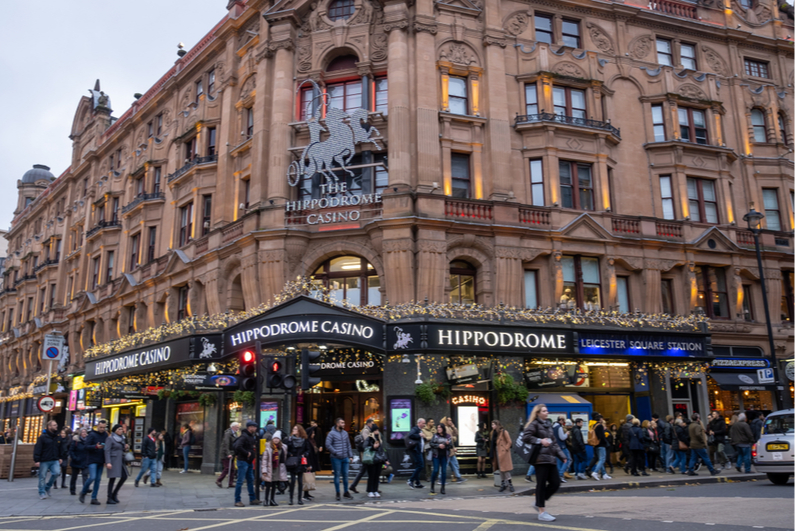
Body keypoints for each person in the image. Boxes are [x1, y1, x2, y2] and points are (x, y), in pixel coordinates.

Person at [522, 404, 567, 522]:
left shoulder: (548, 425)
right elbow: (526, 437)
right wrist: (540, 440)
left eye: (547, 411)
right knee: (541, 485)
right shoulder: (534, 424)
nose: (547, 412)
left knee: (556, 483)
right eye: (544, 411)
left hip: (551, 459)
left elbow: (554, 443)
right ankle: (542, 512)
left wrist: (562, 456)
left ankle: (538, 502)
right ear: (538, 413)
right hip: (540, 459)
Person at [233, 421, 261, 507]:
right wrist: (246, 453)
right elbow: (238, 446)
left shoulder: (250, 436)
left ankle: (252, 499)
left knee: (250, 480)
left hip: (249, 461)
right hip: (243, 461)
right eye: (254, 427)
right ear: (250, 427)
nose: (256, 428)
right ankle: (237, 500)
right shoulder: (244, 436)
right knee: (240, 481)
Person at [34, 420, 64, 500]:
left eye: (56, 425)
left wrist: (60, 457)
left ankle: (47, 487)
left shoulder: (58, 436)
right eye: (54, 425)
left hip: (54, 459)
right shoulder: (43, 437)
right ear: (49, 426)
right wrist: (37, 460)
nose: (56, 426)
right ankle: (42, 492)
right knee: (42, 476)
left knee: (57, 473)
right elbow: (38, 448)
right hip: (44, 459)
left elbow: (60, 447)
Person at [80, 420, 108, 505]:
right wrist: (95, 446)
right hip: (92, 459)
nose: (102, 429)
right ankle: (83, 492)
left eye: (104, 427)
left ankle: (94, 498)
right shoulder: (92, 434)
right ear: (97, 426)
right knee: (92, 477)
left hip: (101, 459)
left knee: (98, 480)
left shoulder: (106, 434)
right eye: (101, 427)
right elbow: (86, 447)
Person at [325, 417, 353, 501]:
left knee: (345, 475)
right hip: (336, 458)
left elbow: (348, 445)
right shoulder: (331, 433)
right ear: (337, 424)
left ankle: (346, 492)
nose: (343, 424)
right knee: (337, 475)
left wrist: (350, 455)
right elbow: (328, 444)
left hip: (345, 457)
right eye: (342, 423)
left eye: (344, 423)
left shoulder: (345, 433)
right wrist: (335, 452)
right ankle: (338, 493)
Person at [285, 425, 311, 505]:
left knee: (300, 481)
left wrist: (305, 454)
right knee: (292, 481)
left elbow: (308, 449)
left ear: (299, 430)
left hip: (301, 461)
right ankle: (291, 499)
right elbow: (286, 450)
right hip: (292, 462)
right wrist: (290, 454)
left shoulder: (305, 440)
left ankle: (300, 499)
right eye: (293, 429)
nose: (293, 430)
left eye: (295, 429)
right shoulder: (290, 439)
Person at [105, 424, 129, 504]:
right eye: (119, 429)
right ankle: (109, 497)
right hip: (113, 460)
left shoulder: (122, 438)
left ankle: (114, 493)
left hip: (120, 460)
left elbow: (121, 449)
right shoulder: (110, 438)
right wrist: (108, 462)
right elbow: (107, 450)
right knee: (112, 478)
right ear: (115, 430)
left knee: (124, 476)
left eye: (121, 429)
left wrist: (125, 448)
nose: (121, 430)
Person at [261, 430, 287, 506]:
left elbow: (283, 459)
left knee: (274, 485)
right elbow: (264, 460)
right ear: (272, 439)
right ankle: (266, 500)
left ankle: (272, 500)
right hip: (269, 468)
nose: (276, 440)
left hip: (277, 469)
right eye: (275, 438)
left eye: (277, 438)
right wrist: (264, 470)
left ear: (280, 440)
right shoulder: (268, 447)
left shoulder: (282, 448)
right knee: (268, 485)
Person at [349, 418, 374, 494]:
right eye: (372, 423)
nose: (373, 425)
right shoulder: (366, 430)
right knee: (366, 471)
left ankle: (372, 487)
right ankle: (372, 488)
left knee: (365, 471)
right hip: (366, 454)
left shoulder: (368, 430)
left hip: (367, 454)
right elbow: (367, 442)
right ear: (368, 424)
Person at [491, 420, 514, 492]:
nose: (492, 426)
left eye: (493, 424)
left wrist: (505, 449)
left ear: (497, 425)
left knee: (505, 470)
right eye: (492, 424)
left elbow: (509, 441)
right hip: (497, 453)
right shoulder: (493, 433)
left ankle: (510, 484)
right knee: (501, 470)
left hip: (503, 453)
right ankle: (503, 483)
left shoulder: (504, 432)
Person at [363, 424, 386, 498]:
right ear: (373, 431)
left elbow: (382, 450)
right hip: (371, 460)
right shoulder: (369, 438)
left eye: (378, 430)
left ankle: (375, 490)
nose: (377, 432)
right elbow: (364, 447)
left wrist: (385, 459)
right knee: (371, 476)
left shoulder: (379, 439)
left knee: (376, 476)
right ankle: (370, 491)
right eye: (376, 430)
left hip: (378, 460)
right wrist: (372, 447)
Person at [428, 423, 451, 494]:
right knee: (435, 470)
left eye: (440, 427)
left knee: (444, 472)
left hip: (444, 456)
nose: (438, 429)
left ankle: (443, 488)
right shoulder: (435, 435)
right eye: (437, 427)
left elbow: (451, 446)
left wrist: (447, 444)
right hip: (436, 456)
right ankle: (432, 487)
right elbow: (431, 444)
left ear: (443, 428)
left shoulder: (448, 436)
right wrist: (438, 445)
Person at [441, 417, 465, 483]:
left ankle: (458, 477)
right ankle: (440, 478)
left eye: (451, 420)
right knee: (445, 465)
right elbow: (449, 439)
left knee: (455, 464)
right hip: (447, 450)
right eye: (449, 420)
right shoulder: (445, 428)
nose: (451, 421)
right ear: (446, 421)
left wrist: (453, 427)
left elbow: (455, 434)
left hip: (451, 450)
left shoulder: (449, 428)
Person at [217, 422, 240, 488]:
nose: (237, 429)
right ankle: (219, 480)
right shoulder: (228, 433)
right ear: (233, 427)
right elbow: (226, 444)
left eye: (238, 427)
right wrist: (228, 454)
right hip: (225, 453)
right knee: (227, 468)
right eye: (237, 427)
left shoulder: (234, 434)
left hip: (232, 453)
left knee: (232, 469)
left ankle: (230, 483)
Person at [69, 428, 90, 495]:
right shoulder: (76, 441)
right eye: (83, 432)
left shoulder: (88, 441)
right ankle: (72, 490)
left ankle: (85, 489)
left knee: (85, 475)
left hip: (85, 461)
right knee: (74, 476)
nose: (84, 433)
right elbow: (71, 450)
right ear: (80, 433)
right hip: (76, 461)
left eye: (85, 432)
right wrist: (75, 458)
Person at [591, 414, 611, 480]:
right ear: (600, 419)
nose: (603, 420)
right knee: (602, 459)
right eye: (602, 418)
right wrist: (606, 442)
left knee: (600, 459)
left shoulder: (594, 425)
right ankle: (595, 472)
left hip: (596, 445)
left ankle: (604, 474)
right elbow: (601, 436)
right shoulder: (600, 426)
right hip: (601, 445)